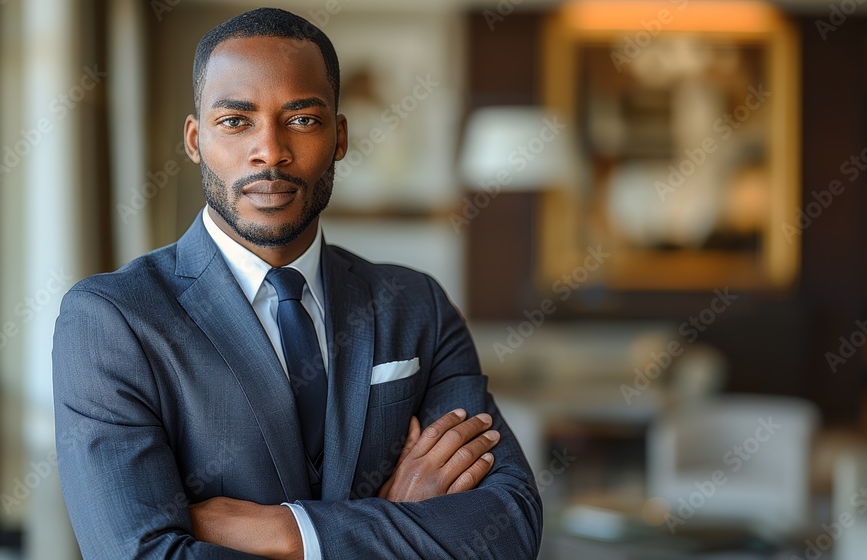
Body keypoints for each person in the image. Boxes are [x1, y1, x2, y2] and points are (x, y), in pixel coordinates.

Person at [52, 7, 542, 559]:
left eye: (303, 119)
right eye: (236, 121)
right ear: (194, 140)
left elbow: (508, 528)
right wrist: (396, 522)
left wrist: (289, 534)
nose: (271, 151)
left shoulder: (418, 306)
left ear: (339, 135)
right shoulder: (112, 321)